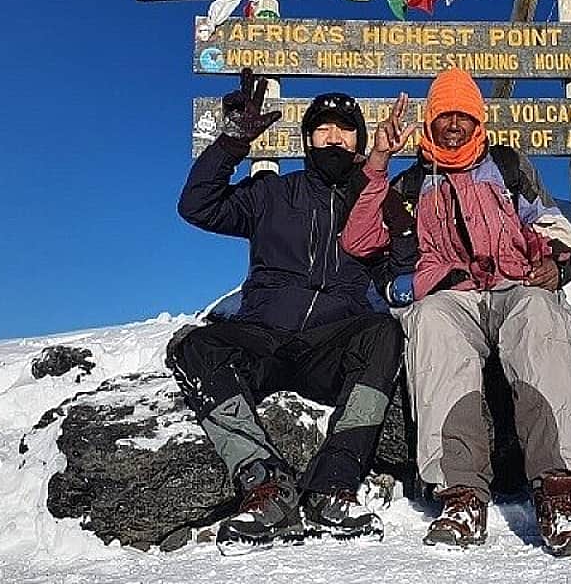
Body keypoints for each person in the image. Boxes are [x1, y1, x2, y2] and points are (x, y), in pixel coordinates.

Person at [341, 68, 571, 557]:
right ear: (430, 120)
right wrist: (378, 162)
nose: (455, 125)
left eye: (464, 115)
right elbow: (359, 239)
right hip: (453, 295)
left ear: (478, 119)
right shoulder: (411, 183)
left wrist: (557, 259)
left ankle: (558, 489)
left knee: (540, 317)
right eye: (445, 116)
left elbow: (546, 220)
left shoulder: (505, 165)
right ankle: (460, 492)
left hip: (513, 284)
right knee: (431, 320)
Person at [168, 69, 403, 555]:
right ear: (307, 140)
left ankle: (333, 485)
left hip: (330, 348)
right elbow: (198, 207)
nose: (333, 138)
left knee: (383, 331)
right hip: (264, 339)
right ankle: (265, 481)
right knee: (195, 346)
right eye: (322, 130)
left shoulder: (375, 200)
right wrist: (231, 144)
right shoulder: (272, 193)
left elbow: (409, 261)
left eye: (344, 130)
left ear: (360, 140)